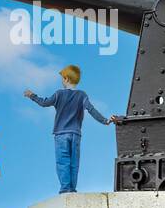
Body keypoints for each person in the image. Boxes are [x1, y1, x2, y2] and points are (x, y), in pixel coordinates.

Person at [24, 65, 118, 194]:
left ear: (66, 79)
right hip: (75, 134)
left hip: (61, 134)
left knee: (63, 162)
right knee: (74, 163)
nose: (62, 81)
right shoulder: (82, 95)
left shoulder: (59, 94)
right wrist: (105, 121)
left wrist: (32, 95)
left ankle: (65, 189)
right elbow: (92, 110)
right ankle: (72, 189)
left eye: (62, 79)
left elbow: (44, 103)